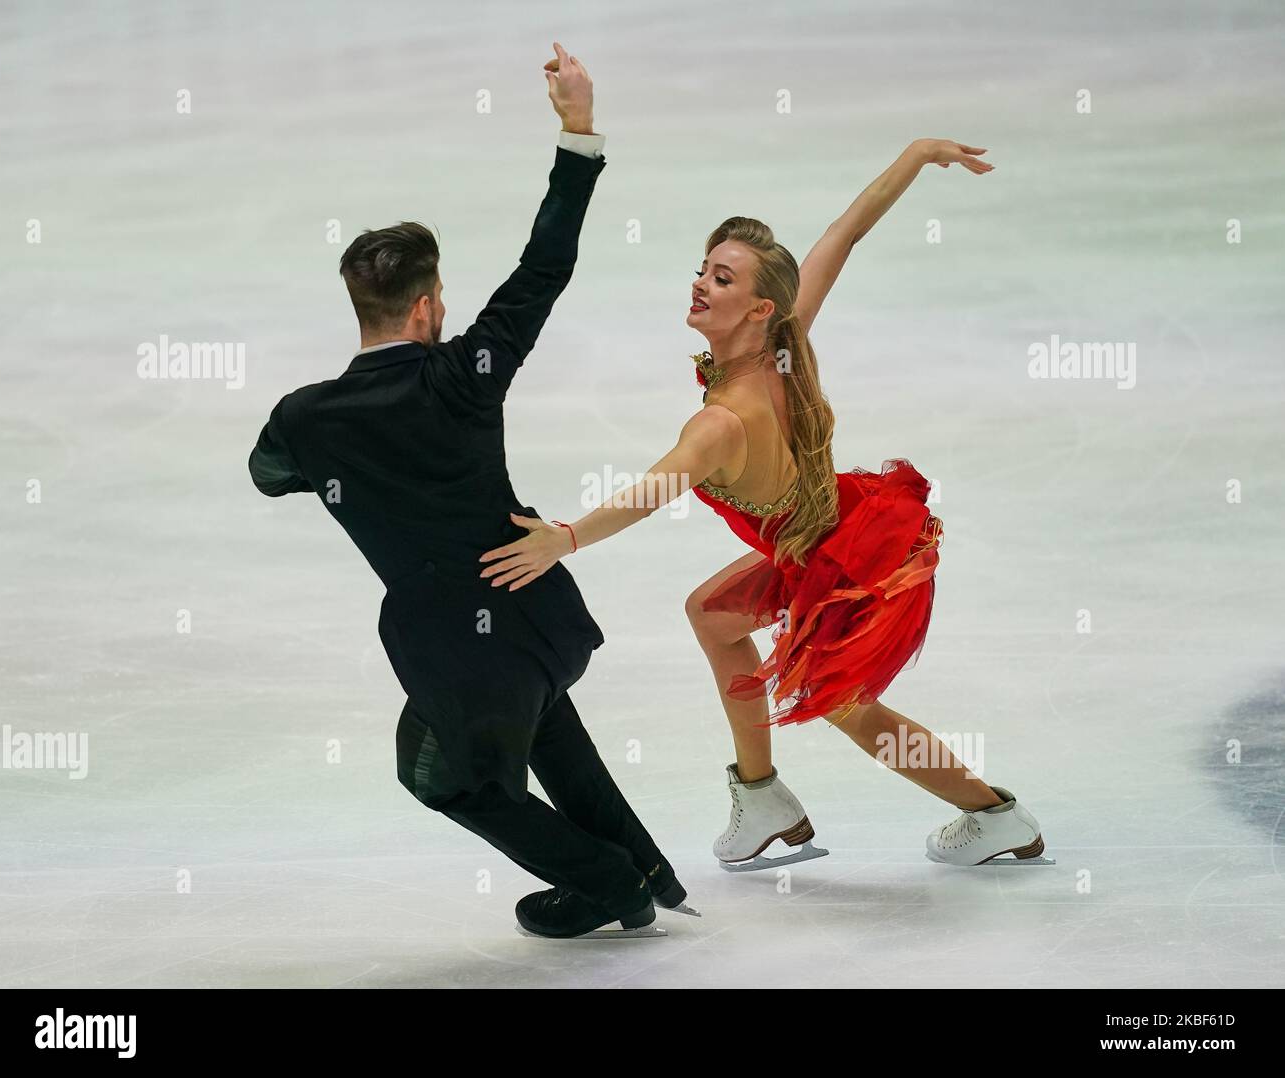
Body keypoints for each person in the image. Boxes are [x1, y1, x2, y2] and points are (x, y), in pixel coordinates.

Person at [479, 139, 1046, 869]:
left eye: (722, 278)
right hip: (833, 532)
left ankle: (993, 813)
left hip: (851, 567)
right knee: (713, 614)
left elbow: (653, 489)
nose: (700, 285)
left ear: (758, 307)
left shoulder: (720, 422)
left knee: (847, 709)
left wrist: (566, 537)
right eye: (702, 270)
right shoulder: (785, 340)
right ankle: (763, 794)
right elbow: (847, 230)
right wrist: (915, 155)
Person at [248, 43, 690, 938]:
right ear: (424, 309)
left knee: (440, 772)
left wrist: (341, 480)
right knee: (535, 712)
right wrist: (576, 133)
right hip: (539, 616)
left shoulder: (305, 419)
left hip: (459, 648)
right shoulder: (463, 374)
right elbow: (542, 271)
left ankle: (611, 881)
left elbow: (267, 476)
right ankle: (647, 866)